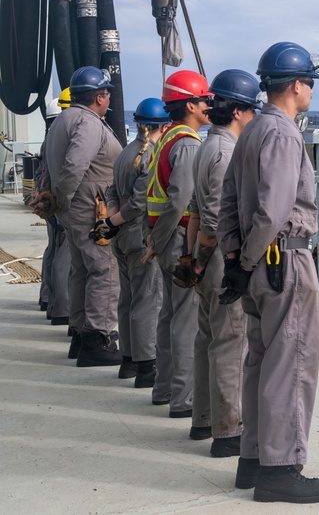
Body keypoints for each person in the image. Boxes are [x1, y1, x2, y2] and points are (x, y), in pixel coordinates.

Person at [217, 42, 319, 503]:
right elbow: (273, 211)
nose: (310, 90)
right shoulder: (284, 134)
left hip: (256, 266)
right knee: (292, 362)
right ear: (295, 85)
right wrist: (246, 260)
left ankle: (253, 460)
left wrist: (234, 260)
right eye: (309, 82)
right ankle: (281, 469)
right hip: (283, 260)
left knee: (260, 360)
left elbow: (230, 203)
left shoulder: (250, 132)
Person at [179, 69, 259, 455]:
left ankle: (203, 420)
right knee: (230, 343)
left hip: (203, 259)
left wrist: (191, 258)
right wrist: (209, 261)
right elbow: (213, 219)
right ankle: (227, 433)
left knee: (206, 339)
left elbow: (194, 211)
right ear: (241, 111)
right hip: (219, 261)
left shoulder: (205, 146)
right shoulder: (227, 152)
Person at [43, 66, 123, 367]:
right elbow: (76, 165)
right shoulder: (87, 123)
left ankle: (79, 335)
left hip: (74, 208)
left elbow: (52, 167)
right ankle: (98, 339)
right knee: (105, 270)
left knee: (81, 271)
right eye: (107, 93)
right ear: (100, 96)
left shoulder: (63, 120)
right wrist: (66, 198)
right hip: (91, 206)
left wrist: (59, 203)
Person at [144, 70, 212, 417]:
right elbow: (179, 200)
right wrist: (164, 243)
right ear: (189, 105)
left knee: (169, 317)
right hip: (177, 242)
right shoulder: (187, 143)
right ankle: (183, 399)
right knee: (185, 322)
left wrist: (154, 237)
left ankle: (164, 388)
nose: (209, 106)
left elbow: (152, 195)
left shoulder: (167, 137)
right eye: (204, 100)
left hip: (165, 240)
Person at [97, 98, 170, 387]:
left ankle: (127, 360)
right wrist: (117, 220)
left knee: (127, 300)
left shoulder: (126, 152)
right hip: (140, 234)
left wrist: (112, 218)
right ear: (163, 126)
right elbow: (141, 202)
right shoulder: (152, 154)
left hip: (121, 236)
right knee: (148, 301)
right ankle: (146, 366)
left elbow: (112, 191)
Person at [31, 89, 71, 325]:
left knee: (53, 250)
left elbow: (42, 173)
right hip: (58, 204)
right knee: (63, 254)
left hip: (50, 202)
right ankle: (60, 306)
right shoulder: (62, 140)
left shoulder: (49, 139)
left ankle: (49, 298)